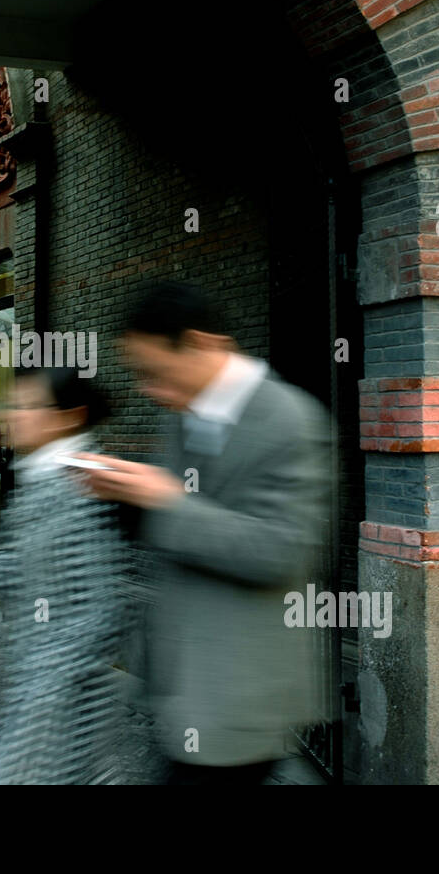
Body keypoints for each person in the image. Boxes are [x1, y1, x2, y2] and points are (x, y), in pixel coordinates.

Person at [73, 281, 333, 785]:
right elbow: (183, 525)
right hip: (187, 687)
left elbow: (278, 550)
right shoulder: (186, 415)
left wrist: (163, 499)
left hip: (241, 694)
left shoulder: (290, 420)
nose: (150, 390)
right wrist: (121, 497)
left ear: (199, 345)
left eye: (155, 373)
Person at [0, 365, 134, 784]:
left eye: (25, 405)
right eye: (10, 404)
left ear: (68, 417)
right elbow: (29, 573)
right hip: (42, 696)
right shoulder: (44, 479)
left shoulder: (76, 487)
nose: (8, 415)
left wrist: (44, 690)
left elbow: (99, 608)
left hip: (54, 709)